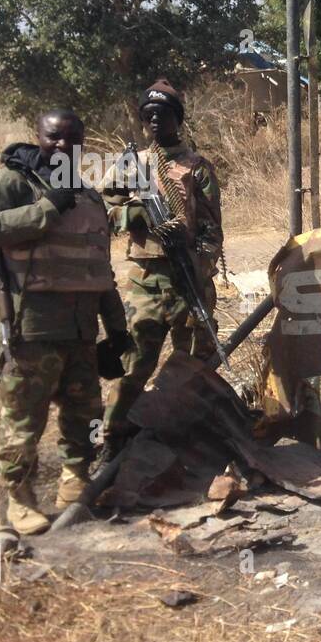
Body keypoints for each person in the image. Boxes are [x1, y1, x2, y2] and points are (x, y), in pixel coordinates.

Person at [0, 110, 130, 543]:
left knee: (87, 417)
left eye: (73, 139)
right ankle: (20, 499)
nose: (63, 146)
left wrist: (117, 331)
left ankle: (76, 481)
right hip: (29, 333)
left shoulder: (89, 197)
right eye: (54, 137)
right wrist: (43, 210)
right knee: (23, 424)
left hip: (80, 334)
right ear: (39, 137)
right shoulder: (14, 182)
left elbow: (100, 271)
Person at [102, 80, 223, 451]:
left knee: (194, 363)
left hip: (188, 278)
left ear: (178, 119)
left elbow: (212, 231)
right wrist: (132, 216)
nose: (156, 121)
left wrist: (198, 264)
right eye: (149, 115)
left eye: (164, 114)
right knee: (136, 361)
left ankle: (181, 428)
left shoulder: (197, 168)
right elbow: (101, 215)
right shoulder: (131, 165)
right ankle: (113, 436)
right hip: (146, 282)